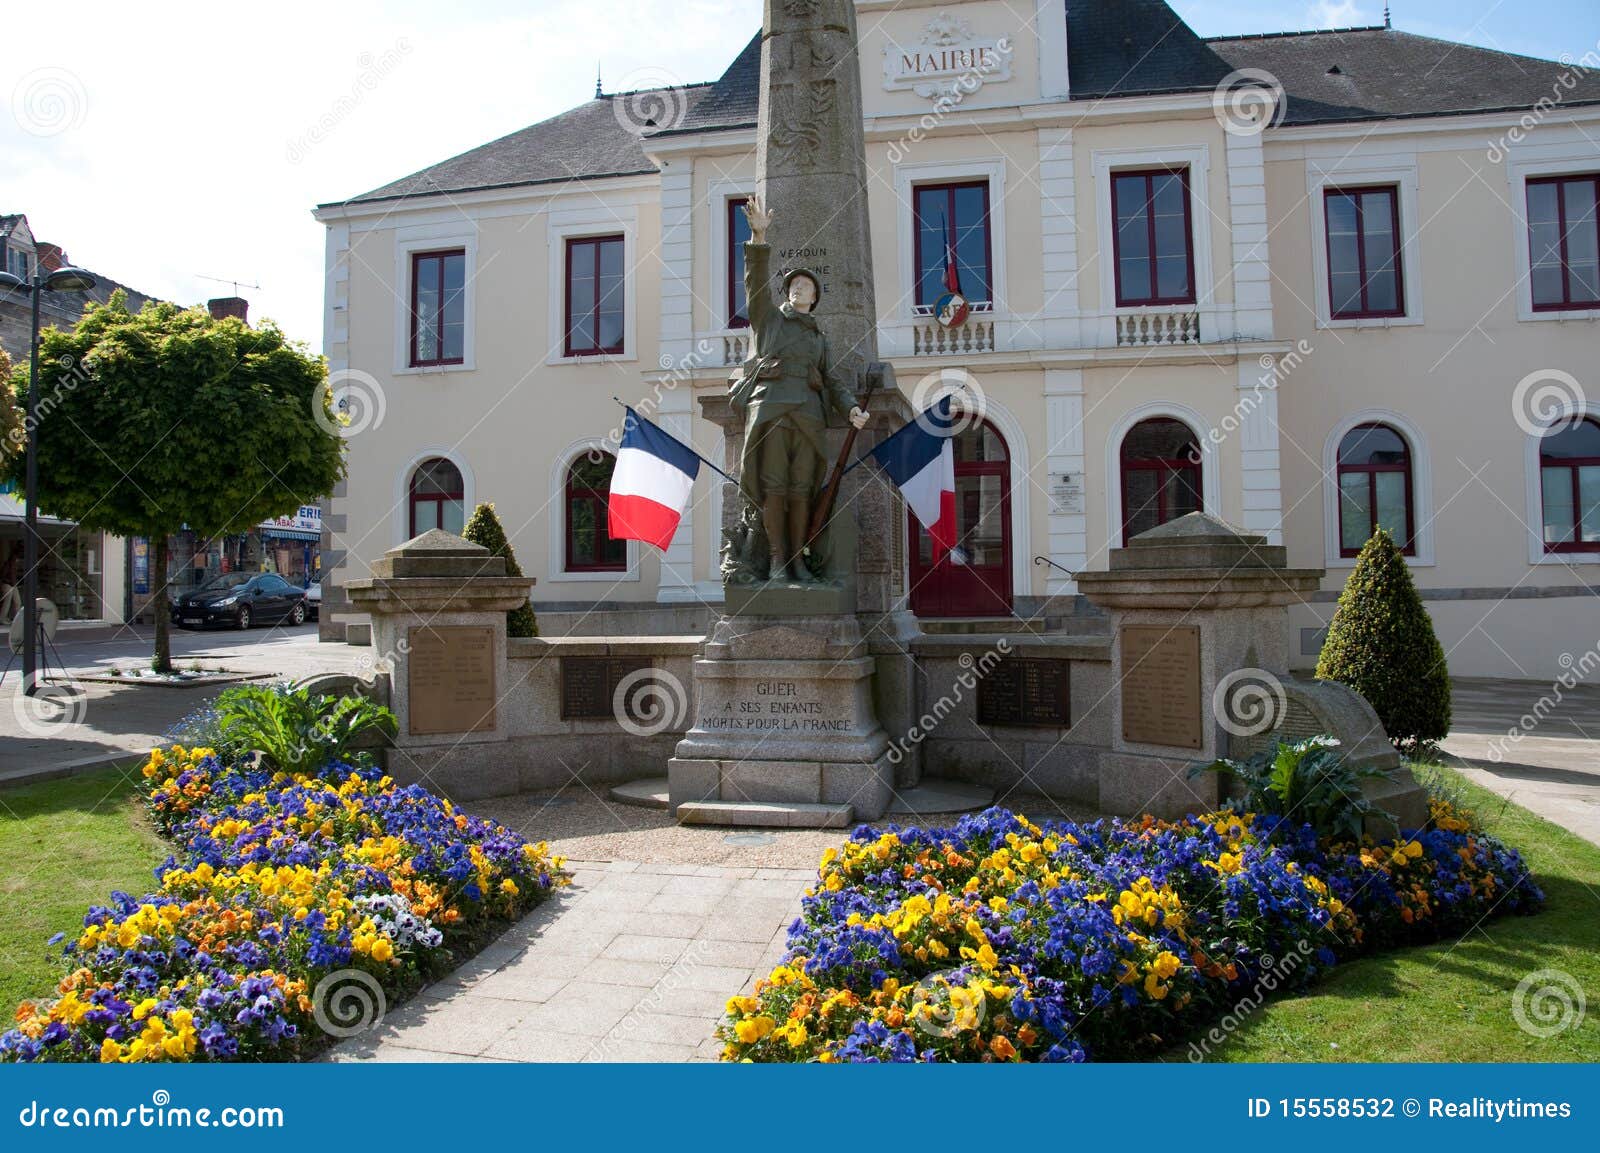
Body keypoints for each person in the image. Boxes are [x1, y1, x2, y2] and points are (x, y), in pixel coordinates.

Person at [732, 196, 869, 583]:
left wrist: (851, 409)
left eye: (806, 285)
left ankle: (798, 563)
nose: (798, 289)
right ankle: (777, 562)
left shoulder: (819, 339)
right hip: (773, 407)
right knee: (775, 487)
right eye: (794, 284)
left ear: (815, 297)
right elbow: (755, 285)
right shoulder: (770, 320)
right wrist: (758, 238)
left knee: (801, 488)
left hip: (808, 414)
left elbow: (831, 380)